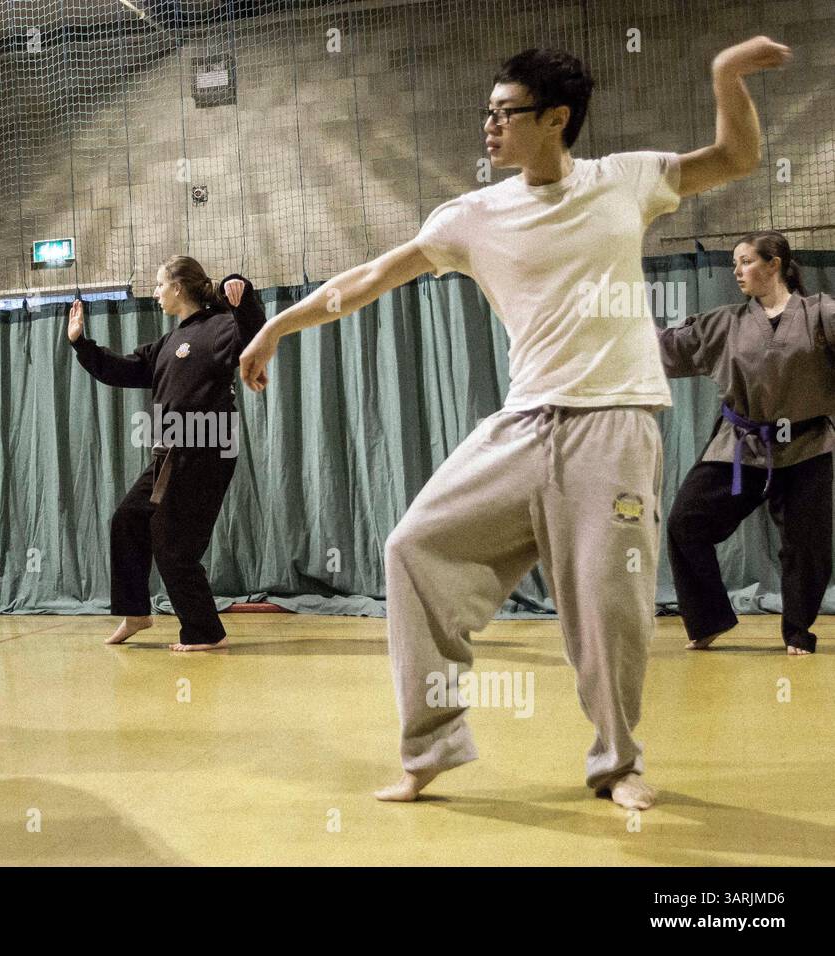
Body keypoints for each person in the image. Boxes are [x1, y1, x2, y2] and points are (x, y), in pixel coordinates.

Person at [239, 38, 792, 809]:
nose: (489, 127)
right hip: (525, 424)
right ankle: (430, 746)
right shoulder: (470, 215)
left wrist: (726, 76)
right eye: (488, 113)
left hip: (614, 425)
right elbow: (366, 279)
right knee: (414, 548)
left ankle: (619, 763)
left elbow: (734, 156)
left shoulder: (626, 180)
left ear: (556, 119)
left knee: (609, 604)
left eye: (506, 113)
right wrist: (275, 329)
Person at [67, 257, 263, 651]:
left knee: (174, 545)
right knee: (128, 520)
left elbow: (254, 334)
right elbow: (121, 370)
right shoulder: (167, 343)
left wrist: (239, 288)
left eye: (159, 285)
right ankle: (136, 612)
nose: (155, 293)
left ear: (178, 287)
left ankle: (206, 632)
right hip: (170, 453)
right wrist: (80, 344)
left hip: (208, 449)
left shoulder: (220, 327)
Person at [661, 230, 835, 656]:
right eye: (735, 264)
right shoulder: (725, 323)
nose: (737, 271)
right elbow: (664, 348)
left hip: (807, 446)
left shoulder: (821, 313)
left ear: (774, 264)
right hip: (742, 446)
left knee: (805, 545)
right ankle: (709, 620)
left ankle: (798, 632)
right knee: (686, 522)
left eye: (746, 262)